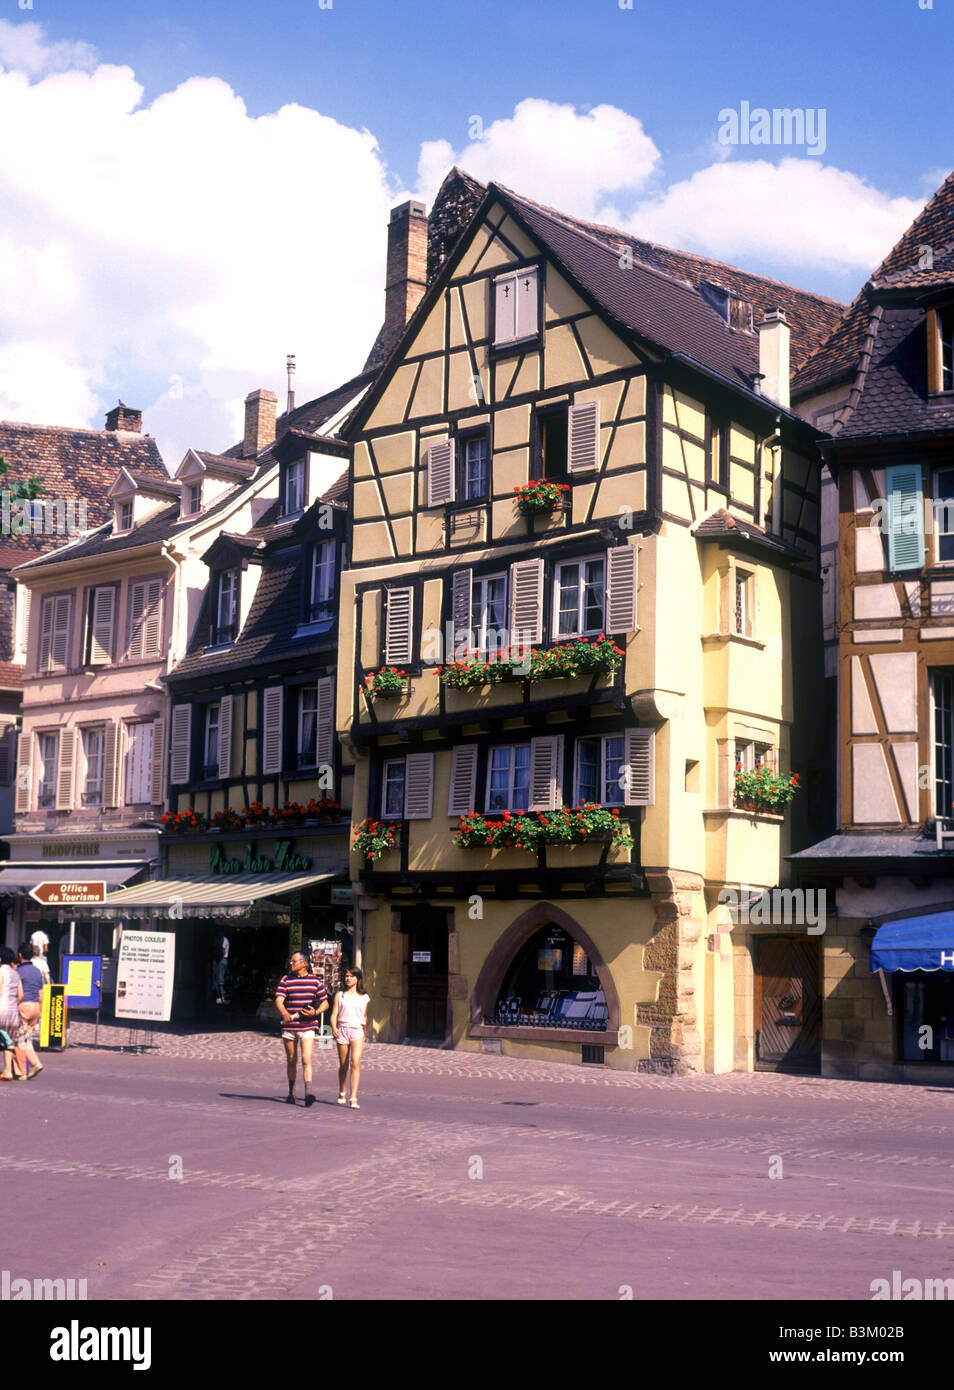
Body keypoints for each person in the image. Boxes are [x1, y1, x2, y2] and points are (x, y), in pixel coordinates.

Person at [274, 950, 328, 1106]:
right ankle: (291, 1092)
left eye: (294, 961)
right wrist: (284, 1012)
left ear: (304, 963)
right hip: (289, 1026)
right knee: (291, 1059)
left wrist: (315, 1012)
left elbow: (325, 1002)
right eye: (290, 961)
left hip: (308, 1026)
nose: (291, 963)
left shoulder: (315, 981)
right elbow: (279, 1000)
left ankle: (308, 1092)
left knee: (306, 1059)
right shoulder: (286, 979)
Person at [331, 966, 371, 1109]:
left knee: (355, 1062)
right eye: (347, 976)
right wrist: (334, 1028)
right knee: (343, 1065)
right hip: (342, 1029)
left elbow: (364, 1016)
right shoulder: (340, 995)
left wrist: (364, 1031)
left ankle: (353, 1097)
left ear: (357, 978)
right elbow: (334, 1013)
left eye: (351, 976)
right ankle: (342, 1091)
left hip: (357, 1031)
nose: (348, 978)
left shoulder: (364, 997)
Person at [16, 943, 44, 1079]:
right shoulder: (37, 971)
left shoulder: (18, 971)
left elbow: (18, 992)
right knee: (26, 1038)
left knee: (20, 1040)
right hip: (35, 1007)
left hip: (24, 1006)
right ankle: (34, 1064)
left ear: (19, 955)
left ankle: (24, 1070)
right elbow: (41, 994)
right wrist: (40, 1010)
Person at [0, 946, 24, 1080]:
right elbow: (20, 995)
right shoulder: (16, 973)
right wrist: (13, 1004)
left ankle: (7, 1071)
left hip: (1, 1010)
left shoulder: (0, 971)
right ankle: (7, 1070)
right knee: (9, 1041)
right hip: (13, 1011)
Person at [213, 934, 229, 1005]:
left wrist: (218, 957)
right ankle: (220, 998)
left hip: (221, 960)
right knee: (218, 979)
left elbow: (223, 951)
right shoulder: (222, 939)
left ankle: (222, 998)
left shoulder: (224, 940)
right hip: (221, 960)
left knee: (220, 980)